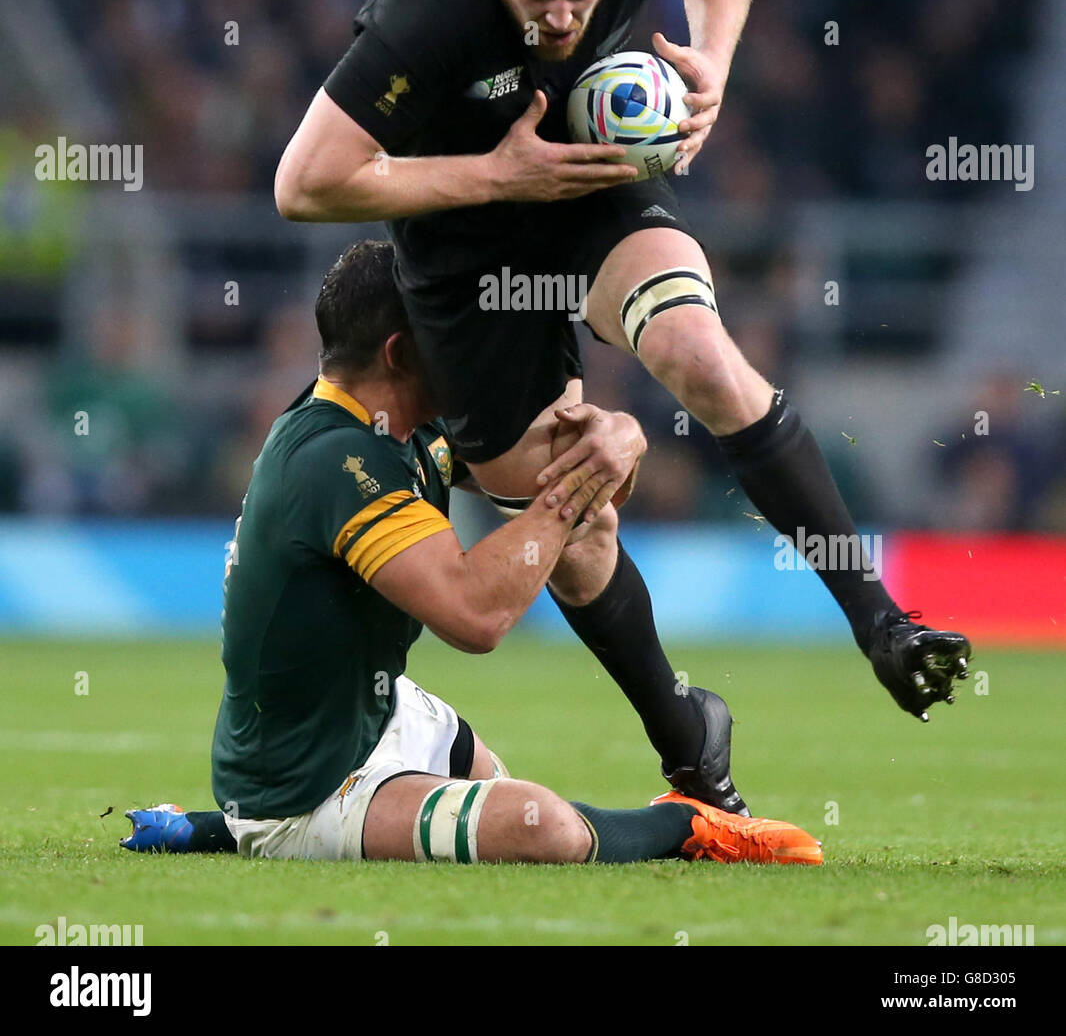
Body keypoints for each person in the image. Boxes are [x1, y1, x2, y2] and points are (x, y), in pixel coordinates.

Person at [273, 0, 970, 728]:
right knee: (570, 519)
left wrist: (713, 62)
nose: (562, 16)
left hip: (593, 188)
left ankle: (883, 624)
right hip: (463, 249)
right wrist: (496, 176)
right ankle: (687, 734)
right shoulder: (429, 10)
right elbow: (304, 185)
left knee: (699, 356)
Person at [121, 241, 820, 867]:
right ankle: (691, 827)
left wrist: (622, 436)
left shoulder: (391, 426)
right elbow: (476, 616)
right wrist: (570, 491)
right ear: (400, 351)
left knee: (500, 799)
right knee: (541, 828)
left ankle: (216, 827)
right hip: (307, 788)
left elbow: (570, 488)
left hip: (376, 713)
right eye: (446, 327)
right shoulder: (337, 460)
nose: (468, 345)